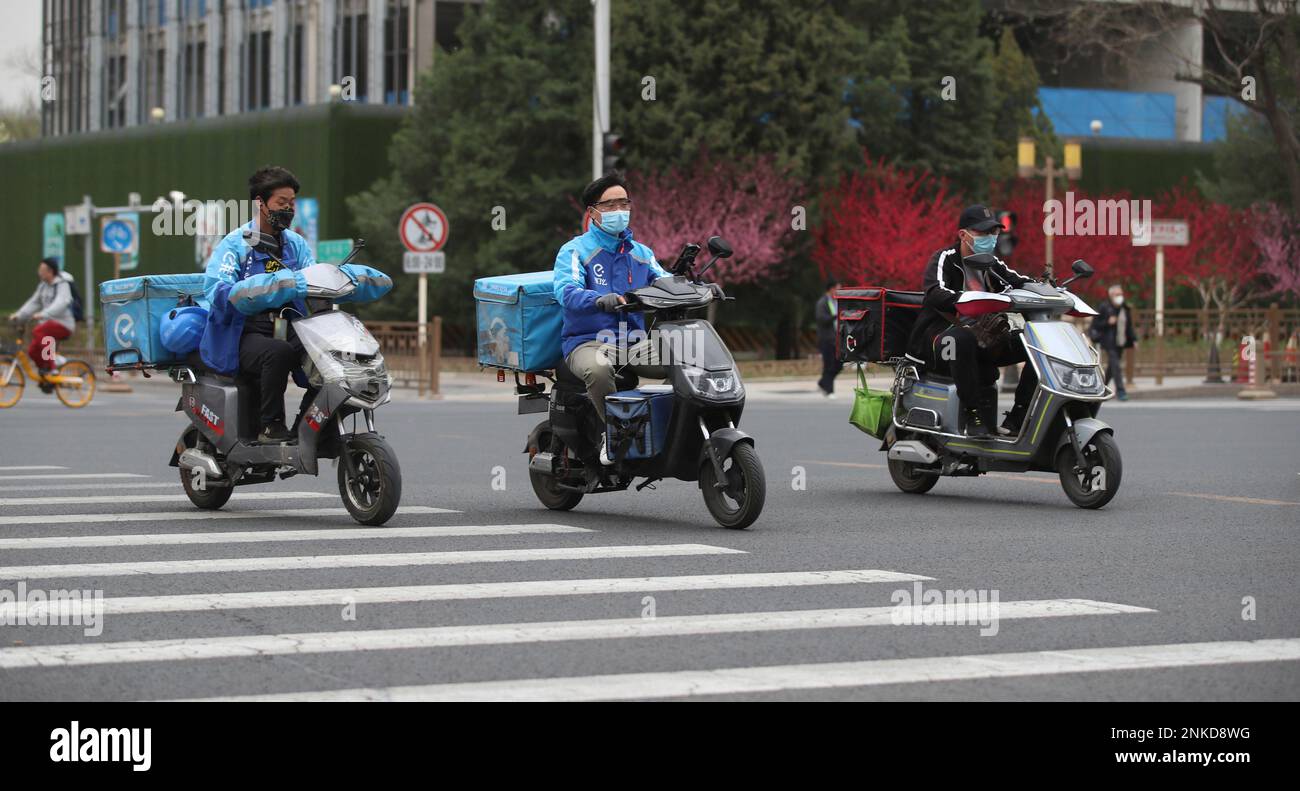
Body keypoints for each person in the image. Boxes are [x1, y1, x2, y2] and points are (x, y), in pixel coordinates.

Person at [200, 165, 391, 443]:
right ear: (260, 204)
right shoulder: (235, 245)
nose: (288, 209)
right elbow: (218, 293)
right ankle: (271, 427)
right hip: (241, 332)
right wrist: (265, 290)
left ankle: (310, 426)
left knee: (336, 358)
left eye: (292, 203)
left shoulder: (297, 245)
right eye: (281, 203)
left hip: (289, 326)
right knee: (278, 352)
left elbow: (311, 282)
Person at [553, 172, 671, 465]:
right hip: (587, 343)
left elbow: (667, 282)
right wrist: (598, 300)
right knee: (600, 369)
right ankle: (614, 432)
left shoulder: (641, 253)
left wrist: (700, 288)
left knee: (685, 358)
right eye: (610, 205)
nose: (619, 211)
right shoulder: (575, 250)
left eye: (624, 203)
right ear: (592, 212)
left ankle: (672, 429)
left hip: (634, 342)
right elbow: (565, 292)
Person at [906, 204, 1038, 437]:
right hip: (938, 337)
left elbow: (1020, 281)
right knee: (963, 337)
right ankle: (973, 415)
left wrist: (1049, 289)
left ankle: (1018, 418)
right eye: (982, 233)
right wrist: (968, 299)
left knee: (1036, 344)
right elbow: (935, 292)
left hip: (982, 338)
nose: (990, 238)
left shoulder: (991, 264)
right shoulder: (944, 258)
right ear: (963, 235)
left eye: (993, 232)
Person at [10, 257, 77, 388]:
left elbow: (61, 303)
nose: (39, 272)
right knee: (32, 351)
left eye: (42, 270)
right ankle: (45, 373)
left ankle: (52, 368)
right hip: (47, 325)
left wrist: (44, 314)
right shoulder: (43, 286)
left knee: (39, 331)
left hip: (64, 324)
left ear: (50, 271)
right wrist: (18, 316)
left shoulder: (62, 284)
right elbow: (33, 303)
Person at [1090, 284, 1135, 401]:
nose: (1120, 296)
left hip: (1121, 341)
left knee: (1112, 367)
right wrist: (1107, 322)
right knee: (1116, 366)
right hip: (1108, 341)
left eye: (1121, 294)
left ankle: (1101, 388)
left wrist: (1133, 339)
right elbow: (1095, 325)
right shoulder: (1104, 307)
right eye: (1117, 294)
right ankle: (1121, 391)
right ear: (1111, 295)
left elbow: (1128, 326)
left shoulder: (1125, 308)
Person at [815, 278, 842, 398]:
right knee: (828, 365)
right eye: (838, 288)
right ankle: (829, 390)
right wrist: (836, 316)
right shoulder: (823, 302)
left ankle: (823, 383)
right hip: (826, 339)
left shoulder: (836, 301)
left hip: (836, 339)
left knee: (839, 364)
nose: (839, 291)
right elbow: (821, 319)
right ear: (831, 289)